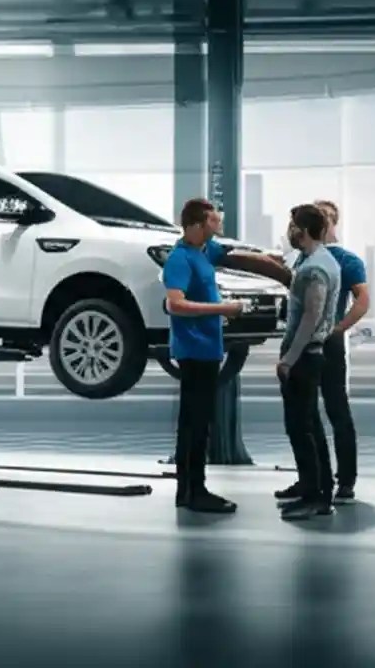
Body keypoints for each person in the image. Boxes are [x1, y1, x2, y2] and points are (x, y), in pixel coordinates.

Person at [274, 200, 369, 505]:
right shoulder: (305, 259)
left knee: (335, 409)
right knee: (307, 416)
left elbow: (362, 300)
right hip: (312, 339)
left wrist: (338, 328)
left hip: (326, 340)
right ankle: (313, 481)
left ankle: (344, 481)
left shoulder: (343, 261)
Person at [162, 197, 253, 513]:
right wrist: (223, 308)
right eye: (214, 220)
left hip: (207, 348)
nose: (219, 224)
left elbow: (233, 253)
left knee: (198, 420)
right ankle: (194, 491)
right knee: (195, 422)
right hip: (194, 349)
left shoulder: (204, 251)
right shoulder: (179, 259)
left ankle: (189, 490)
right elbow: (175, 304)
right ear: (197, 225)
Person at [274, 204, 342, 521]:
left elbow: (311, 316)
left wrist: (289, 359)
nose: (289, 231)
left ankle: (316, 497)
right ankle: (316, 491)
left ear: (303, 230)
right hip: (309, 354)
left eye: (293, 225)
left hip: (304, 356)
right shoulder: (318, 261)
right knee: (308, 426)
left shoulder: (315, 269)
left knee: (302, 429)